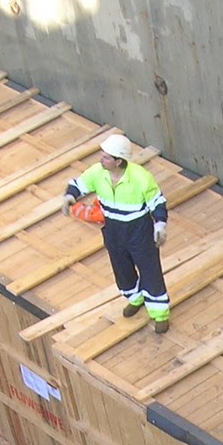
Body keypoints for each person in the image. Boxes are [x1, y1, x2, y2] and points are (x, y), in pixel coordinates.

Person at [64, 133, 171, 333]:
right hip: (113, 231)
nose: (101, 160)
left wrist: (160, 225)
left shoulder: (140, 177)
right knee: (122, 269)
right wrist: (70, 196)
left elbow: (157, 202)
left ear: (118, 161)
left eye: (106, 157)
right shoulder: (98, 173)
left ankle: (160, 314)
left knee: (150, 270)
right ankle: (135, 298)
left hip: (139, 231)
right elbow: (79, 184)